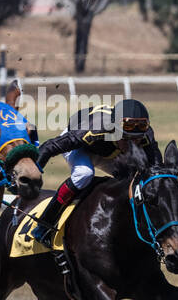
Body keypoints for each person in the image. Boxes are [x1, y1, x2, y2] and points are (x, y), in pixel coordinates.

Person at [30, 99, 159, 244]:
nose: (132, 146)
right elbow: (48, 147)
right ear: (114, 129)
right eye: (126, 139)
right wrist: (33, 173)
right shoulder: (94, 129)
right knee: (84, 174)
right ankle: (44, 223)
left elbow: (157, 170)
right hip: (80, 143)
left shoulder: (146, 135)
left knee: (132, 181)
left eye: (136, 140)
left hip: (108, 149)